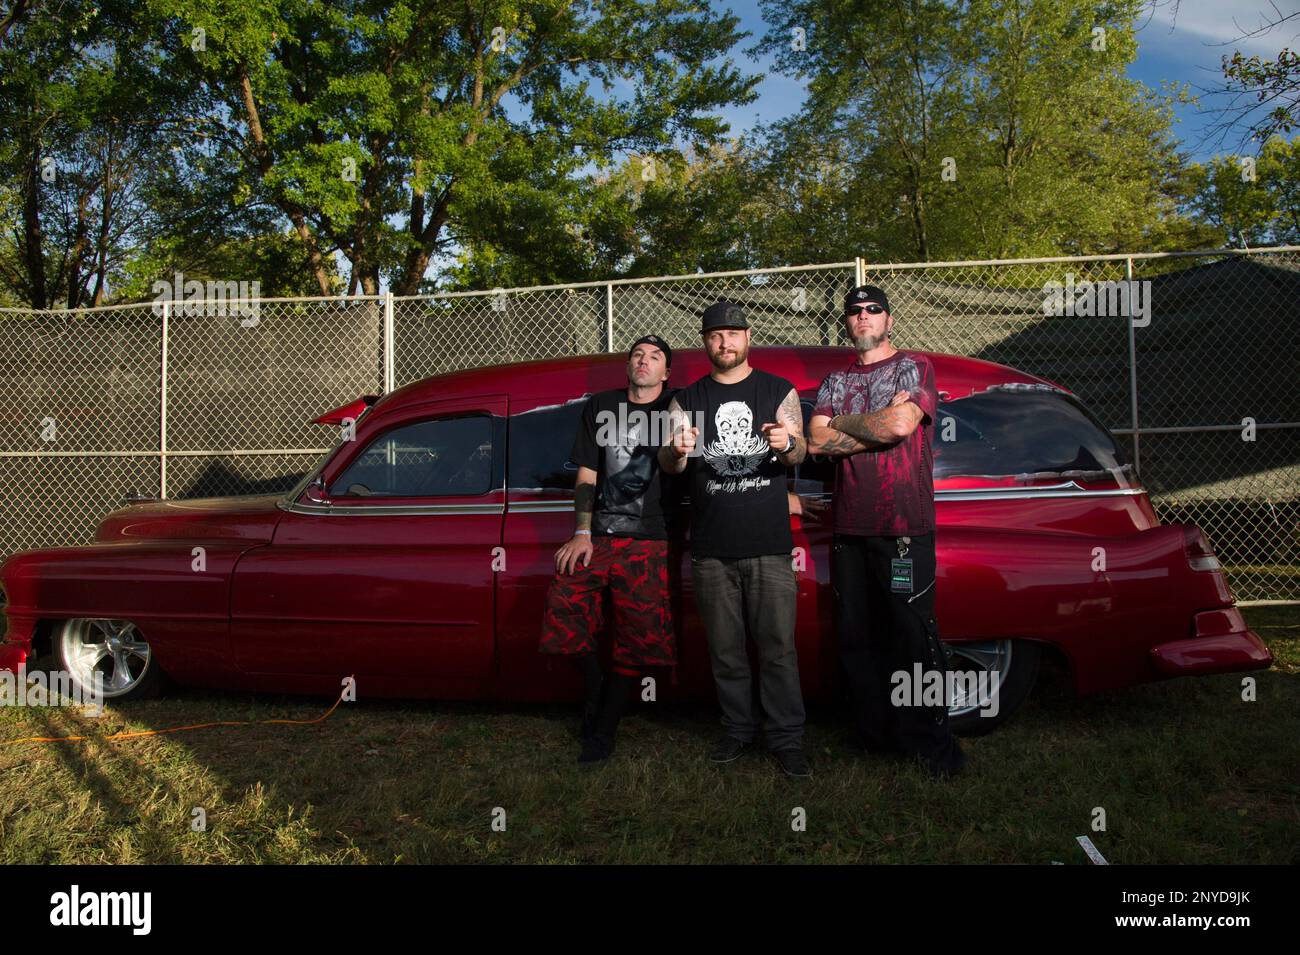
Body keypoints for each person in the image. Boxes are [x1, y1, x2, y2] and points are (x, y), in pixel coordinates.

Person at [807, 285, 967, 778]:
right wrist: (868, 424)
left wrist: (845, 427)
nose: (863, 317)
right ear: (847, 323)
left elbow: (900, 426)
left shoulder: (914, 367)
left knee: (912, 634)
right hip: (849, 527)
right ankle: (874, 734)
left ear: (889, 320)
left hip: (902, 526)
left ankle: (933, 746)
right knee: (857, 635)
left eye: (873, 309)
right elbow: (815, 440)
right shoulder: (834, 378)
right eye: (854, 312)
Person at [658, 301, 812, 778]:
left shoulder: (777, 390)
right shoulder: (686, 400)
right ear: (705, 342)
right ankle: (738, 730)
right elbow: (669, 464)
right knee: (725, 650)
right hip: (711, 550)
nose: (723, 343)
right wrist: (677, 452)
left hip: (768, 543)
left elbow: (800, 452)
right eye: (714, 336)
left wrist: (787, 444)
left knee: (777, 649)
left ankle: (786, 739)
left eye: (732, 334)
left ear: (748, 337)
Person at [539, 334, 678, 763]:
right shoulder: (601, 405)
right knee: (564, 613)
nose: (644, 361)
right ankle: (596, 689)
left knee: (639, 638)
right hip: (597, 535)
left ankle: (604, 727)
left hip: (649, 538)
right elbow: (586, 472)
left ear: (665, 372)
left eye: (655, 357)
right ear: (628, 365)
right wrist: (581, 531)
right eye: (638, 354)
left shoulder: (675, 407)